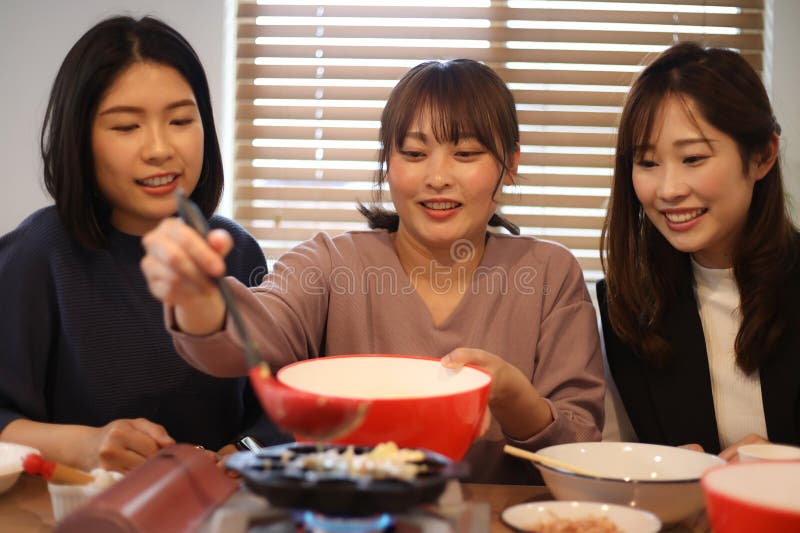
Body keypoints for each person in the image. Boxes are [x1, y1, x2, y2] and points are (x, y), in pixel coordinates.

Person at [141, 58, 604, 484]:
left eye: (466, 154)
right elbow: (252, 335)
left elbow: (582, 451)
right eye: (414, 153)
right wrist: (198, 301)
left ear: (511, 163)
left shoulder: (548, 274)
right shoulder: (331, 263)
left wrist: (514, 399)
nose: (437, 177)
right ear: (388, 162)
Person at [0, 15, 288, 473]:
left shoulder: (237, 250)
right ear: (80, 139)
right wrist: (88, 445)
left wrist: (240, 453)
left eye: (179, 120)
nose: (159, 148)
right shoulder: (38, 254)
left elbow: (278, 407)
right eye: (125, 127)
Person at [598, 42, 799, 461]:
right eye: (648, 163)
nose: (668, 190)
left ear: (762, 157)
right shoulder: (627, 305)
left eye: (693, 158)